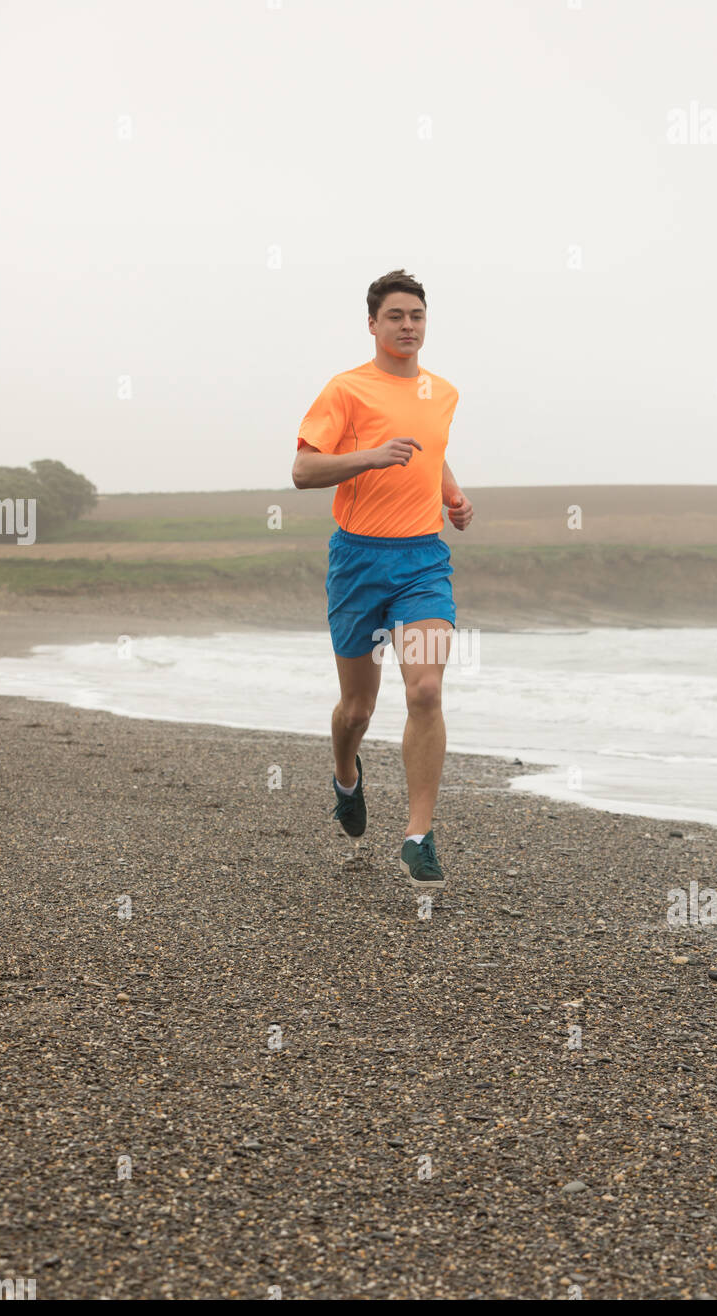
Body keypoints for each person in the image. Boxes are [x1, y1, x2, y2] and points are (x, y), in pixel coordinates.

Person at [293, 269, 474, 886]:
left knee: (424, 690)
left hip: (423, 562)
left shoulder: (442, 392)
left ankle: (419, 834)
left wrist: (452, 493)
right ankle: (346, 775)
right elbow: (302, 470)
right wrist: (369, 456)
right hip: (357, 564)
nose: (407, 326)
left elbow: (431, 446)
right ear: (373, 324)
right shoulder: (346, 391)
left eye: (416, 316)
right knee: (358, 709)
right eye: (395, 316)